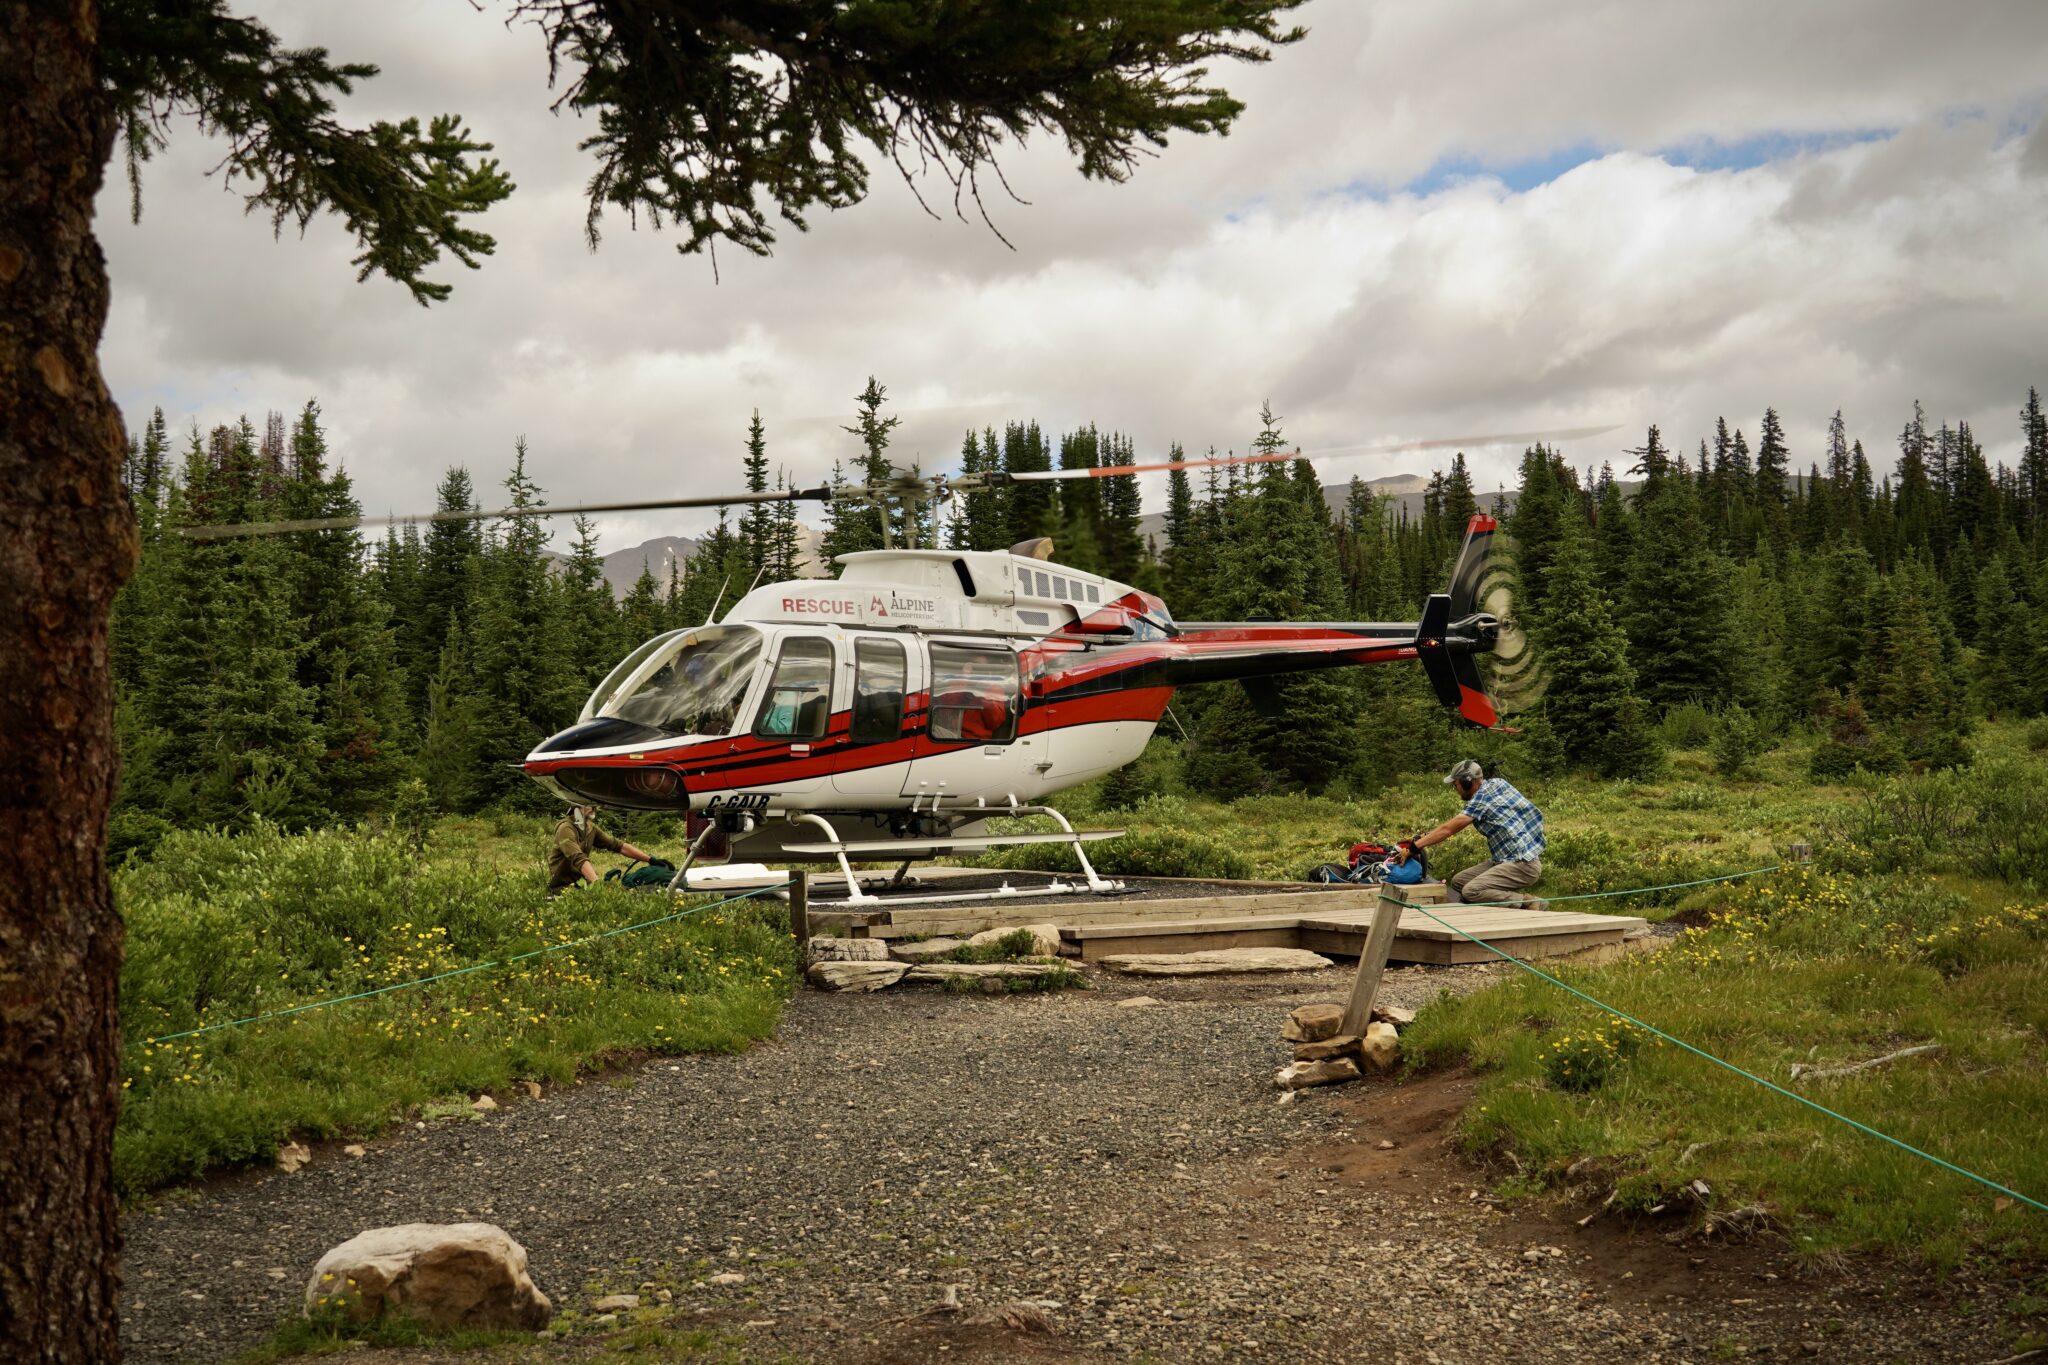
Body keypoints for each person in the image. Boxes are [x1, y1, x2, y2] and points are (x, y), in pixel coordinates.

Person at [1410, 759, 1546, 908]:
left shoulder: (1480, 801)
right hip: (1506, 859)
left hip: (1522, 865)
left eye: (1456, 784)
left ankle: (1528, 903)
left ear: (1467, 781)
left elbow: (1448, 829)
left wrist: (1414, 847)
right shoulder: (1497, 783)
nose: (1456, 789)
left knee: (1471, 891)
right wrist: (1425, 837)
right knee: (1459, 882)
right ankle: (1498, 903)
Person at [547, 803, 661, 895]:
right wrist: (598, 885)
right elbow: (578, 858)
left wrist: (650, 860)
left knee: (628, 893)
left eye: (594, 804)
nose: (594, 807)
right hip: (563, 887)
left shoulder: (589, 828)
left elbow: (618, 846)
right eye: (589, 804)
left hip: (582, 884)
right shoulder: (566, 828)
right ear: (576, 805)